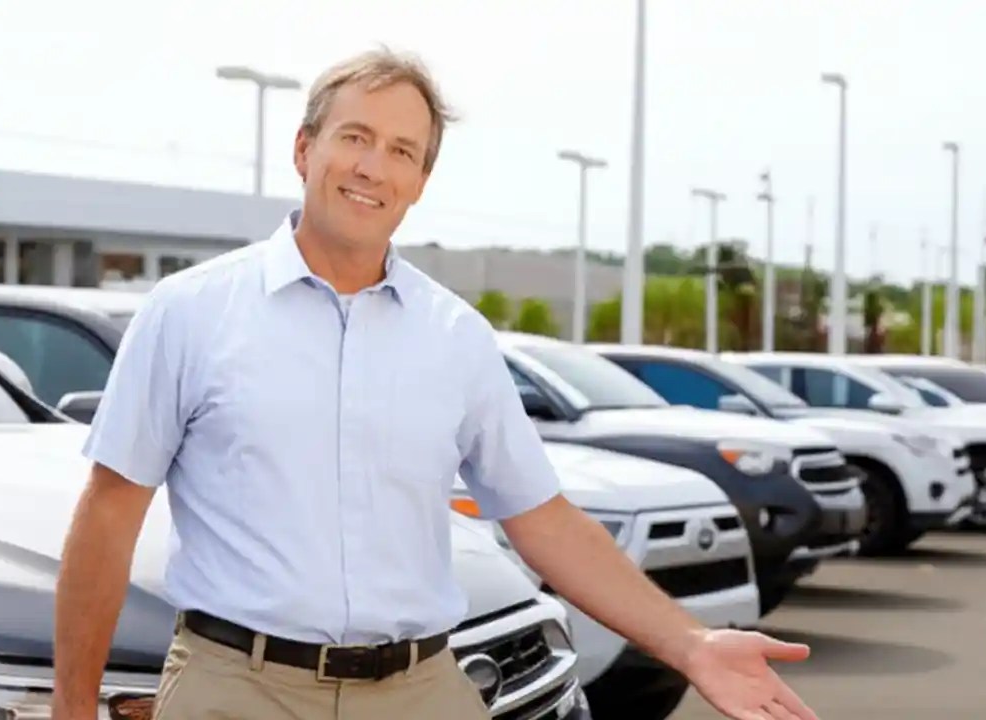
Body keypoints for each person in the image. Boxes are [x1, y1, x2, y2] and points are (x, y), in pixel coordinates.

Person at [51, 47, 820, 720]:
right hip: (238, 688)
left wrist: (689, 643)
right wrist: (73, 707)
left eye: (401, 151)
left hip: (418, 690)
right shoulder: (189, 312)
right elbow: (109, 514)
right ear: (304, 149)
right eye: (354, 137)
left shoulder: (457, 337)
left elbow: (544, 521)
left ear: (419, 181)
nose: (372, 167)